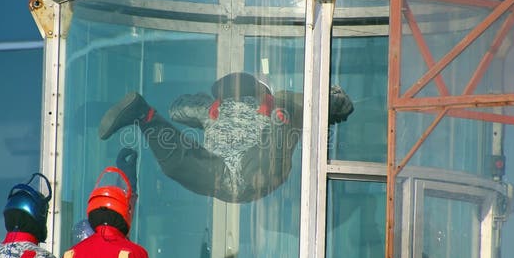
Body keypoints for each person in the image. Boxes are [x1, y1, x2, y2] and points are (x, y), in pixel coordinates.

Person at [97, 71, 354, 203]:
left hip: (253, 166)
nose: (236, 97)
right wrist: (206, 105)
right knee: (177, 163)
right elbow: (177, 108)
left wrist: (277, 106)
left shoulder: (276, 103)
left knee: (280, 123)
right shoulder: (212, 109)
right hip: (222, 174)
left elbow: (337, 102)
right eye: (230, 93)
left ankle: (281, 124)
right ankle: (144, 114)